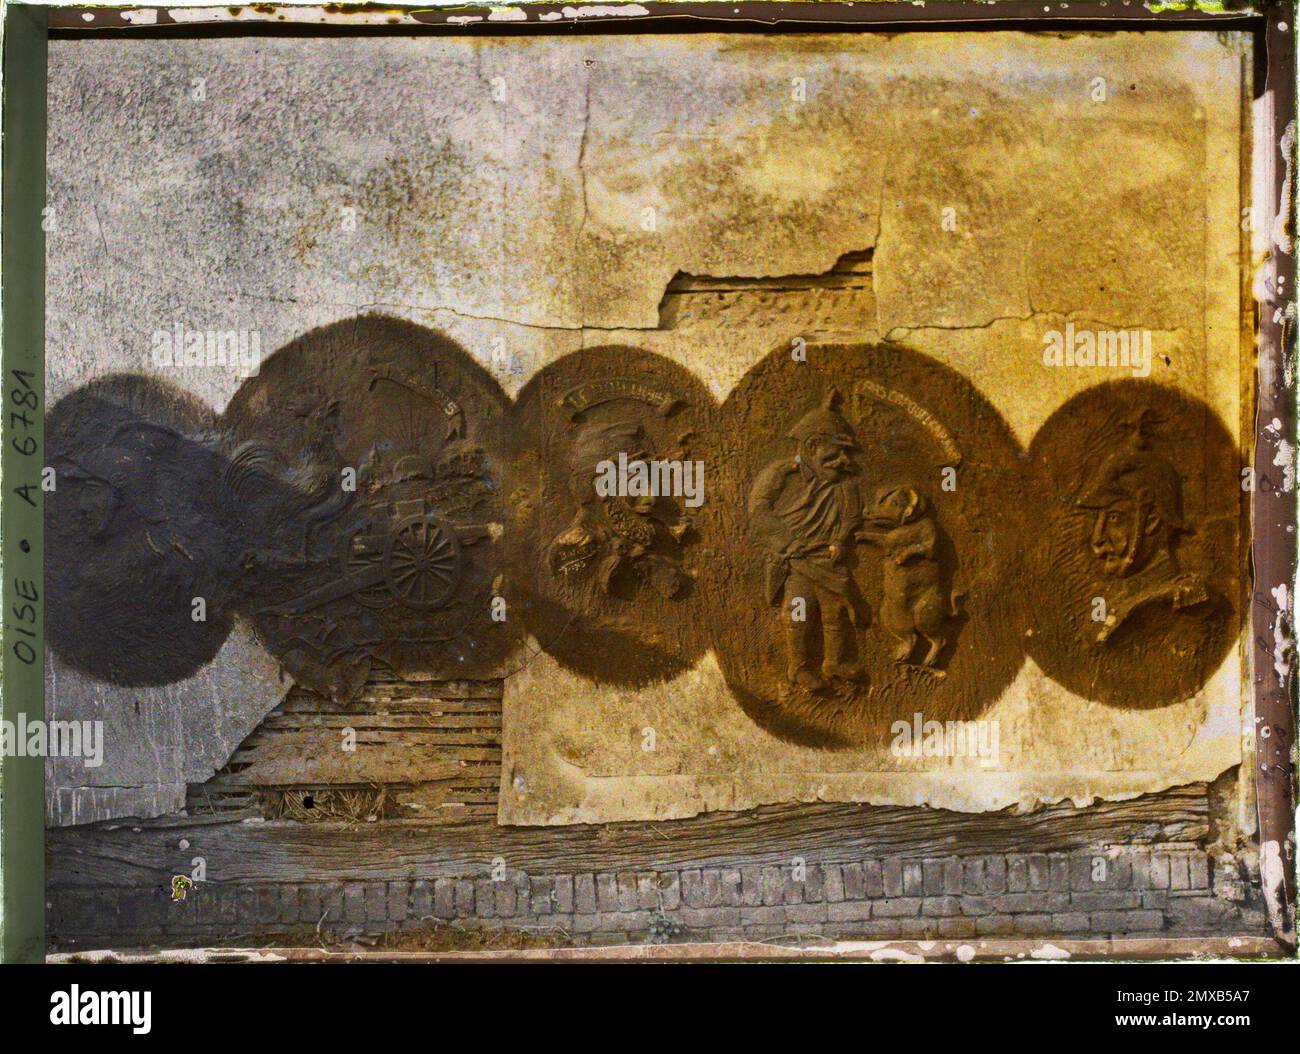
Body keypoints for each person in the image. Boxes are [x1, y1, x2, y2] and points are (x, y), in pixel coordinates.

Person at [748, 390, 866, 690]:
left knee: (834, 613)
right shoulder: (781, 475)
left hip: (828, 562)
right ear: (813, 446)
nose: (843, 461)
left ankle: (835, 663)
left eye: (847, 454)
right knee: (799, 611)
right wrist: (787, 543)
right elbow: (759, 509)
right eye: (836, 452)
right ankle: (799, 669)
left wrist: (840, 541)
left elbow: (851, 518)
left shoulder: (844, 486)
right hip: (797, 563)